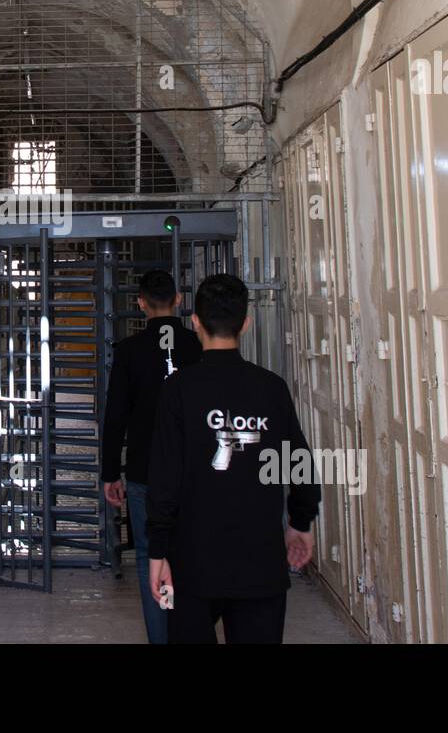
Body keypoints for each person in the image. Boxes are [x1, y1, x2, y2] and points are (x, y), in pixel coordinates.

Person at [146, 273, 320, 644]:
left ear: (194, 323)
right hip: (259, 561)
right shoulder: (272, 389)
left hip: (192, 562)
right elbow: (299, 462)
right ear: (246, 323)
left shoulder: (178, 390)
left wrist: (158, 550)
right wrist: (300, 521)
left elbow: (164, 479)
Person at [101, 269, 201, 644]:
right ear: (178, 299)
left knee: (148, 556)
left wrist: (111, 472)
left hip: (145, 471)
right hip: (195, 472)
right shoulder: (198, 346)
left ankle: (162, 637)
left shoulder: (129, 352)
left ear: (140, 303)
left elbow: (115, 418)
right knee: (191, 550)